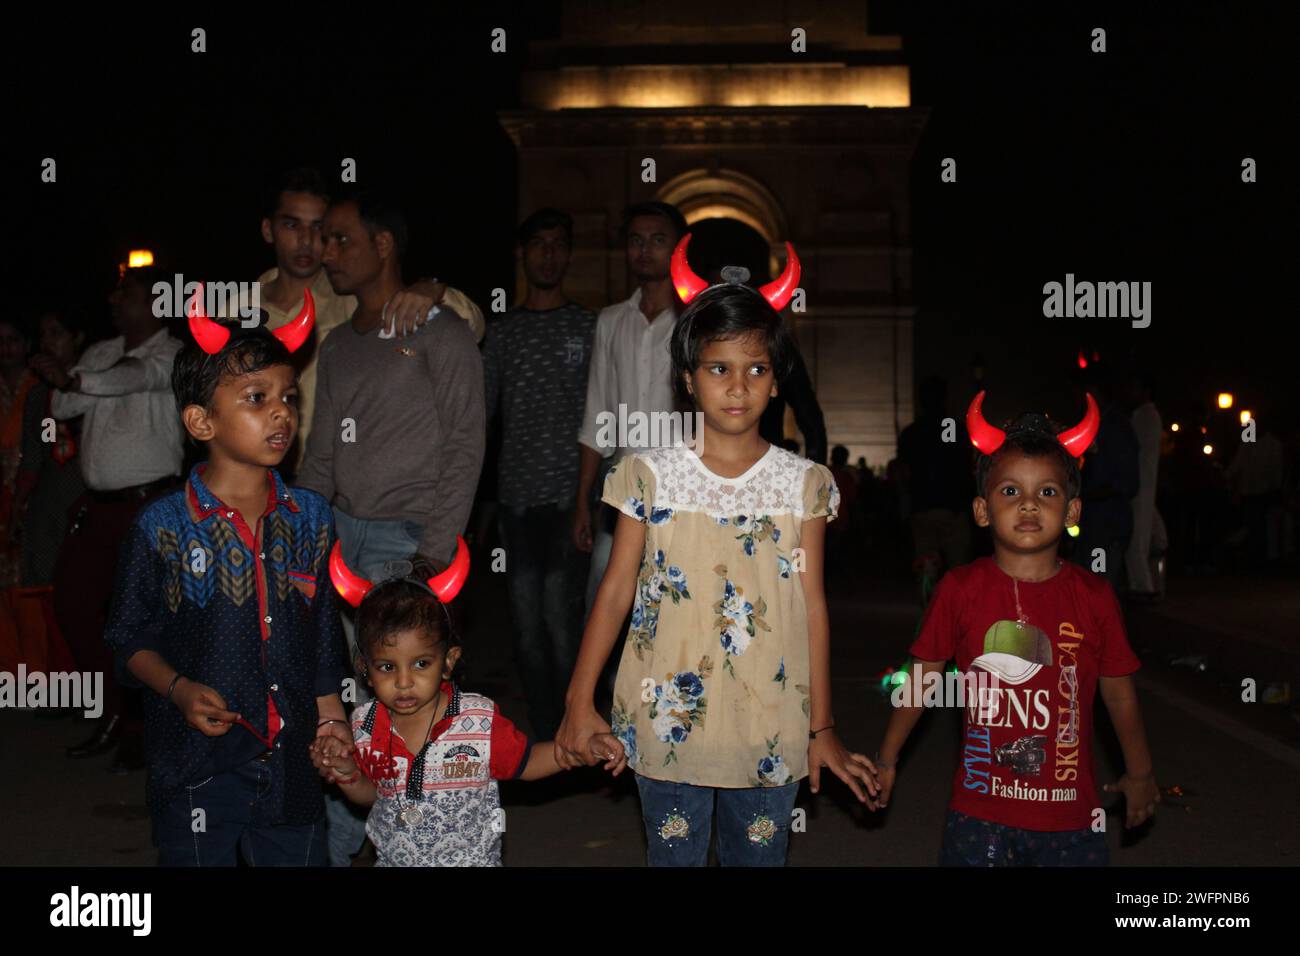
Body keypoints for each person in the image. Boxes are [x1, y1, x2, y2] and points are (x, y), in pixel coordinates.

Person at [555, 236, 878, 867]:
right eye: (718, 368)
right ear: (687, 379)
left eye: (756, 369)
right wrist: (578, 700)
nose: (738, 386)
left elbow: (811, 605)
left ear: (777, 380)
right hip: (665, 728)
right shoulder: (647, 475)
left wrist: (823, 728)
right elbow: (616, 589)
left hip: (768, 728)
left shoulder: (803, 484)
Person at [102, 291, 352, 865]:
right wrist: (178, 689)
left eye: (289, 396)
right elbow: (128, 636)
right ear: (201, 420)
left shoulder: (311, 517)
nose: (283, 411)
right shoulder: (162, 526)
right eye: (256, 398)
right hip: (196, 766)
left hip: (292, 765)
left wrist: (332, 720)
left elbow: (321, 642)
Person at [874, 391, 1160, 866]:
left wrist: (1141, 771)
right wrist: (887, 759)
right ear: (982, 510)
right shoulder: (959, 589)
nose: (1029, 505)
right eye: (1010, 491)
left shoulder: (1094, 597)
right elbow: (922, 678)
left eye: (1047, 492)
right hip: (979, 814)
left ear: (1072, 512)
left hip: (1070, 820)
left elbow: (1119, 694)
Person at [296, 187, 486, 865]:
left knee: (403, 705)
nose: (326, 252)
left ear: (384, 245)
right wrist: (299, 534)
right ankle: (348, 839)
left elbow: (467, 443)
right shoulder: (337, 345)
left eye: (341, 238)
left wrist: (434, 551)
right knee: (340, 696)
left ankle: (394, 842)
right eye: (324, 241)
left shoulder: (439, 330)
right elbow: (320, 452)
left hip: (409, 541)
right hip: (340, 538)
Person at [309, 542, 620, 866]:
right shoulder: (364, 725)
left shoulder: (477, 721)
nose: (403, 681)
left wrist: (581, 749)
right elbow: (373, 794)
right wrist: (347, 773)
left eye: (421, 664)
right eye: (387, 667)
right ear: (366, 671)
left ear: (448, 662)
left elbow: (526, 763)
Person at [256, 167, 482, 475]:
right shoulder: (238, 312)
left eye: (319, 229)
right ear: (268, 230)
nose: (307, 240)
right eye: (291, 225)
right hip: (259, 484)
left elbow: (471, 325)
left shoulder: (354, 298)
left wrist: (433, 289)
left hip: (341, 485)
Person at [48, 267, 185, 770]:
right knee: (73, 603)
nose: (113, 299)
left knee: (145, 622)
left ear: (157, 302)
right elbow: (63, 401)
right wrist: (73, 379)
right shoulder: (101, 352)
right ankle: (113, 711)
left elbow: (138, 377)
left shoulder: (173, 354)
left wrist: (75, 379)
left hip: (150, 506)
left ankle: (145, 726)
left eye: (126, 292)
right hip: (99, 507)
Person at [483, 208, 595, 739]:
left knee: (562, 618)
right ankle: (550, 732)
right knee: (526, 626)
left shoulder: (589, 327)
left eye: (558, 244)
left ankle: (577, 723)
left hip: (572, 499)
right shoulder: (502, 334)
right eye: (538, 245)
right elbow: (478, 417)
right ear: (523, 255)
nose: (548, 254)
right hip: (517, 501)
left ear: (568, 254)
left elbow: (604, 418)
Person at [574, 202, 687, 618]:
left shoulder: (697, 319)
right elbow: (596, 415)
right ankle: (602, 686)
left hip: (685, 484)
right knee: (602, 606)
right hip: (621, 488)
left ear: (679, 250)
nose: (645, 250)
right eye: (636, 241)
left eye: (658, 240)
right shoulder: (610, 320)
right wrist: (583, 500)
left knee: (676, 607)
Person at [1122, 372, 1163, 599]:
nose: (1129, 393)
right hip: (1145, 483)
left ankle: (1143, 587)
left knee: (1136, 537)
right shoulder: (1149, 415)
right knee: (1146, 534)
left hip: (1139, 483)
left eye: (1134, 388)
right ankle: (1148, 583)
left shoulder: (1144, 415)